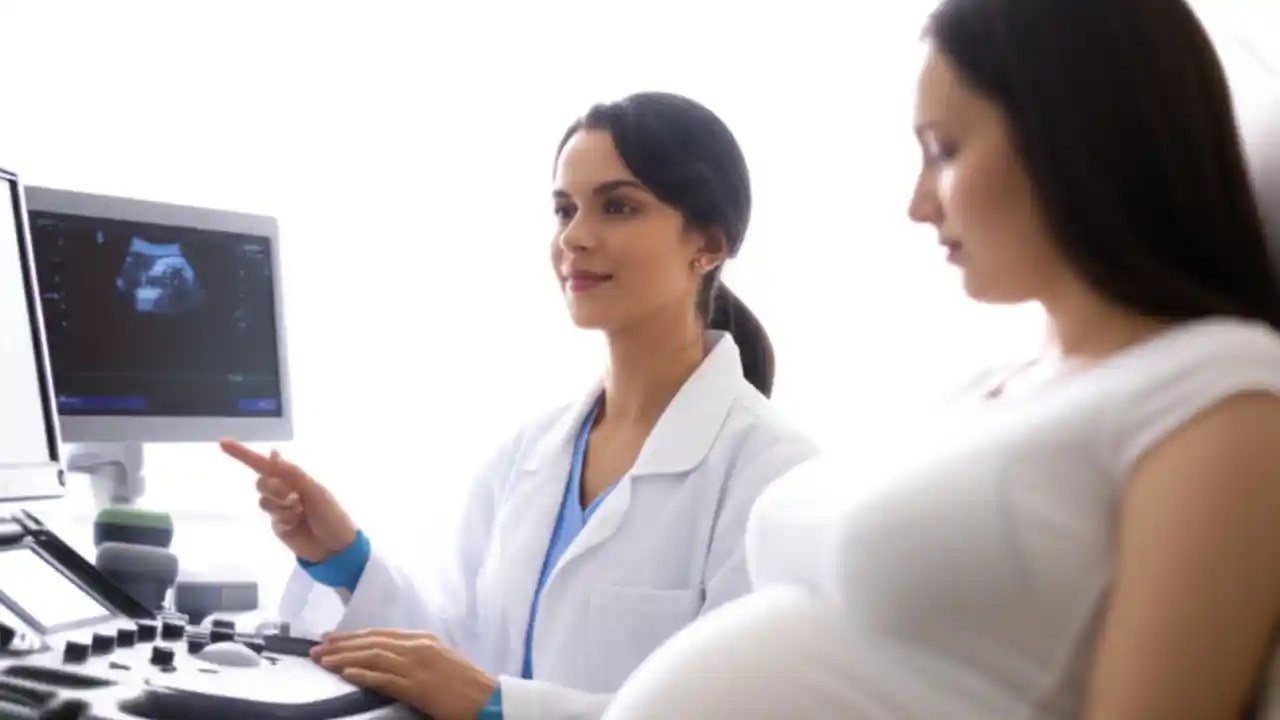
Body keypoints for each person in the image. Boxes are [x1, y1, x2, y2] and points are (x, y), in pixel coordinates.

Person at [603, 2, 1280, 718]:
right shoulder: (994, 390)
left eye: (945, 150)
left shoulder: (1221, 392)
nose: (918, 204)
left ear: (1078, 136)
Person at [220, 91, 817, 720]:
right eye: (565, 210)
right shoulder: (532, 452)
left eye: (617, 206)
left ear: (709, 243)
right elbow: (455, 651)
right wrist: (342, 556)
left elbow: (741, 710)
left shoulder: (773, 473)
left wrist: (502, 706)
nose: (575, 237)